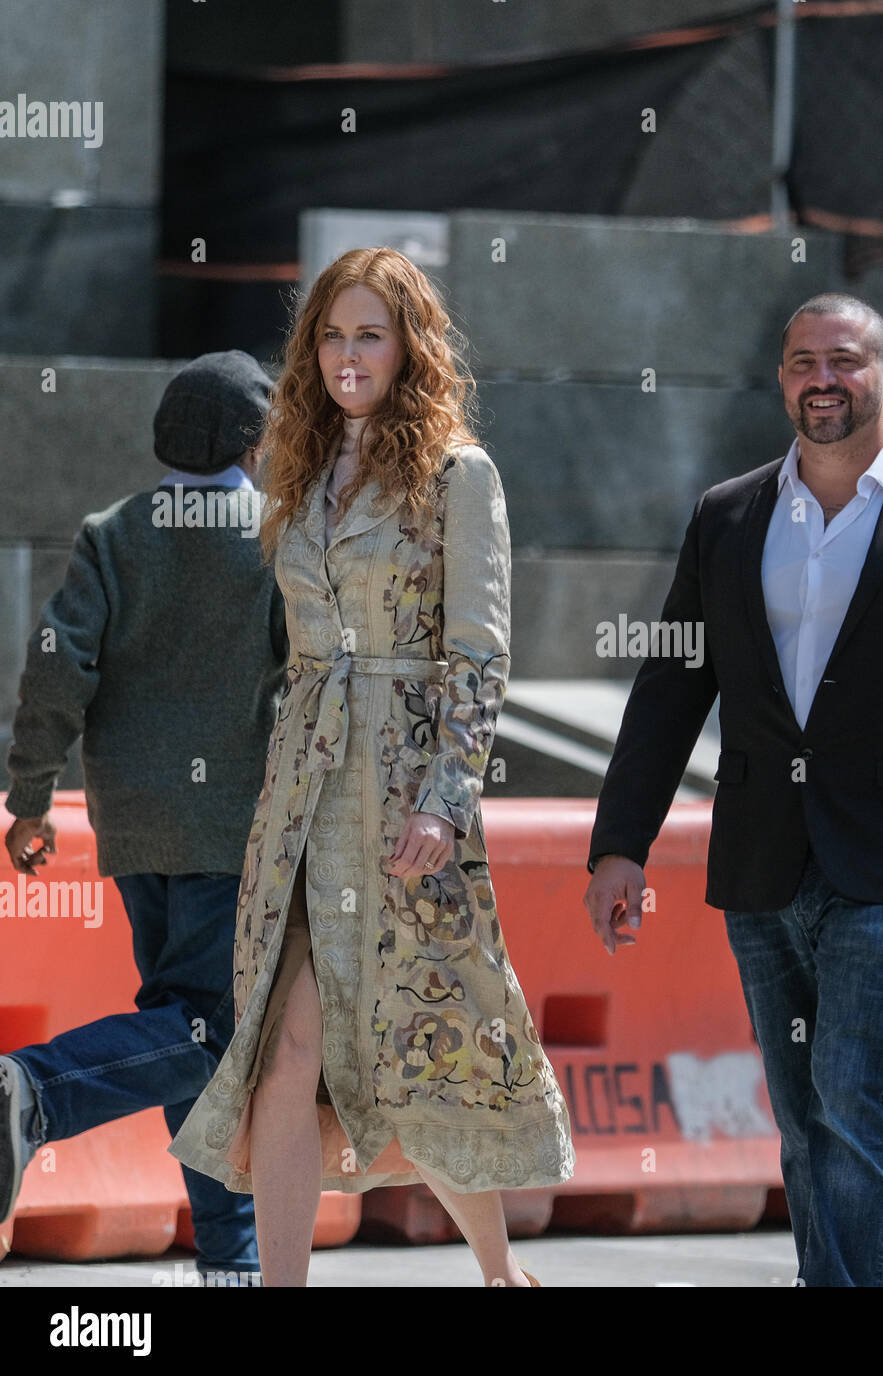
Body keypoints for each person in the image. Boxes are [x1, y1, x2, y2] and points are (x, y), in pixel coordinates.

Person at [584, 293, 883, 1286]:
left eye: (843, 360)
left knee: (855, 1102)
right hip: (762, 863)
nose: (821, 378)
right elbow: (672, 683)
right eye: (802, 361)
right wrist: (620, 842)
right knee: (803, 1118)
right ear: (781, 380)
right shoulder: (728, 516)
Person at [167, 246, 574, 1288]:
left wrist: (446, 798)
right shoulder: (294, 468)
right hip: (300, 795)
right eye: (332, 335)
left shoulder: (456, 472)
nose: (349, 355)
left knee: (429, 1034)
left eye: (371, 334)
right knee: (283, 1047)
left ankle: (498, 1272)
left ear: (408, 347)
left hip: (401, 798)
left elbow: (480, 656)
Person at [1, 350, 284, 1280]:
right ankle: (31, 1090)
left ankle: (230, 1261)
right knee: (206, 1032)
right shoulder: (276, 539)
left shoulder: (112, 533)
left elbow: (54, 666)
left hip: (134, 830)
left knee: (185, 1029)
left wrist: (31, 796)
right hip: (233, 829)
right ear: (254, 439)